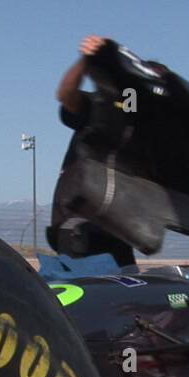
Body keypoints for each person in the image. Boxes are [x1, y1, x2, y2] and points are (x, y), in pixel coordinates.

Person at [48, 34, 139, 269]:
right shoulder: (99, 108)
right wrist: (87, 61)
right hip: (79, 226)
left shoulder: (143, 129)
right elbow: (66, 96)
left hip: (119, 230)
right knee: (84, 294)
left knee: (129, 294)